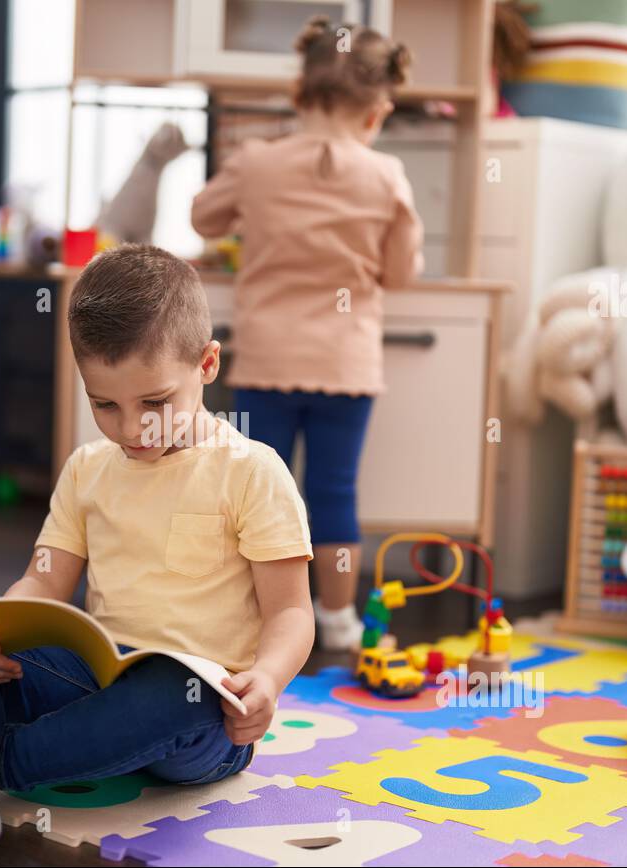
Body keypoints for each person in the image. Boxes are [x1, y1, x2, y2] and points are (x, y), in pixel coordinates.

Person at [0, 244, 314, 866]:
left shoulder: (251, 472)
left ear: (208, 363)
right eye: (104, 405)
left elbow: (292, 614)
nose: (132, 428)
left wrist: (266, 681)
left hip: (202, 719)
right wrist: (9, 623)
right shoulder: (89, 469)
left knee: (175, 687)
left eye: (155, 402)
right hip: (96, 678)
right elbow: (45, 580)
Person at [192, 15, 425, 651]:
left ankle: (250, 619)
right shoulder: (386, 176)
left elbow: (203, 216)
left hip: (267, 360)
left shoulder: (258, 161)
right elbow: (402, 273)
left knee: (255, 494)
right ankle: (340, 622)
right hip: (346, 366)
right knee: (334, 494)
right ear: (377, 111)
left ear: (299, 94)